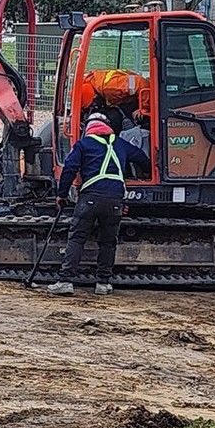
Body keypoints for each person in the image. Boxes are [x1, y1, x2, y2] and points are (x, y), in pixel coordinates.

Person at [47, 112, 151, 296]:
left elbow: (69, 168)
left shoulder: (83, 145)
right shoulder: (120, 143)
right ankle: (103, 283)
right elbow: (142, 158)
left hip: (91, 197)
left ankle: (65, 281)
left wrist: (61, 195)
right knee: (108, 242)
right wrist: (144, 173)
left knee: (77, 238)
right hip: (116, 200)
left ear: (88, 128)